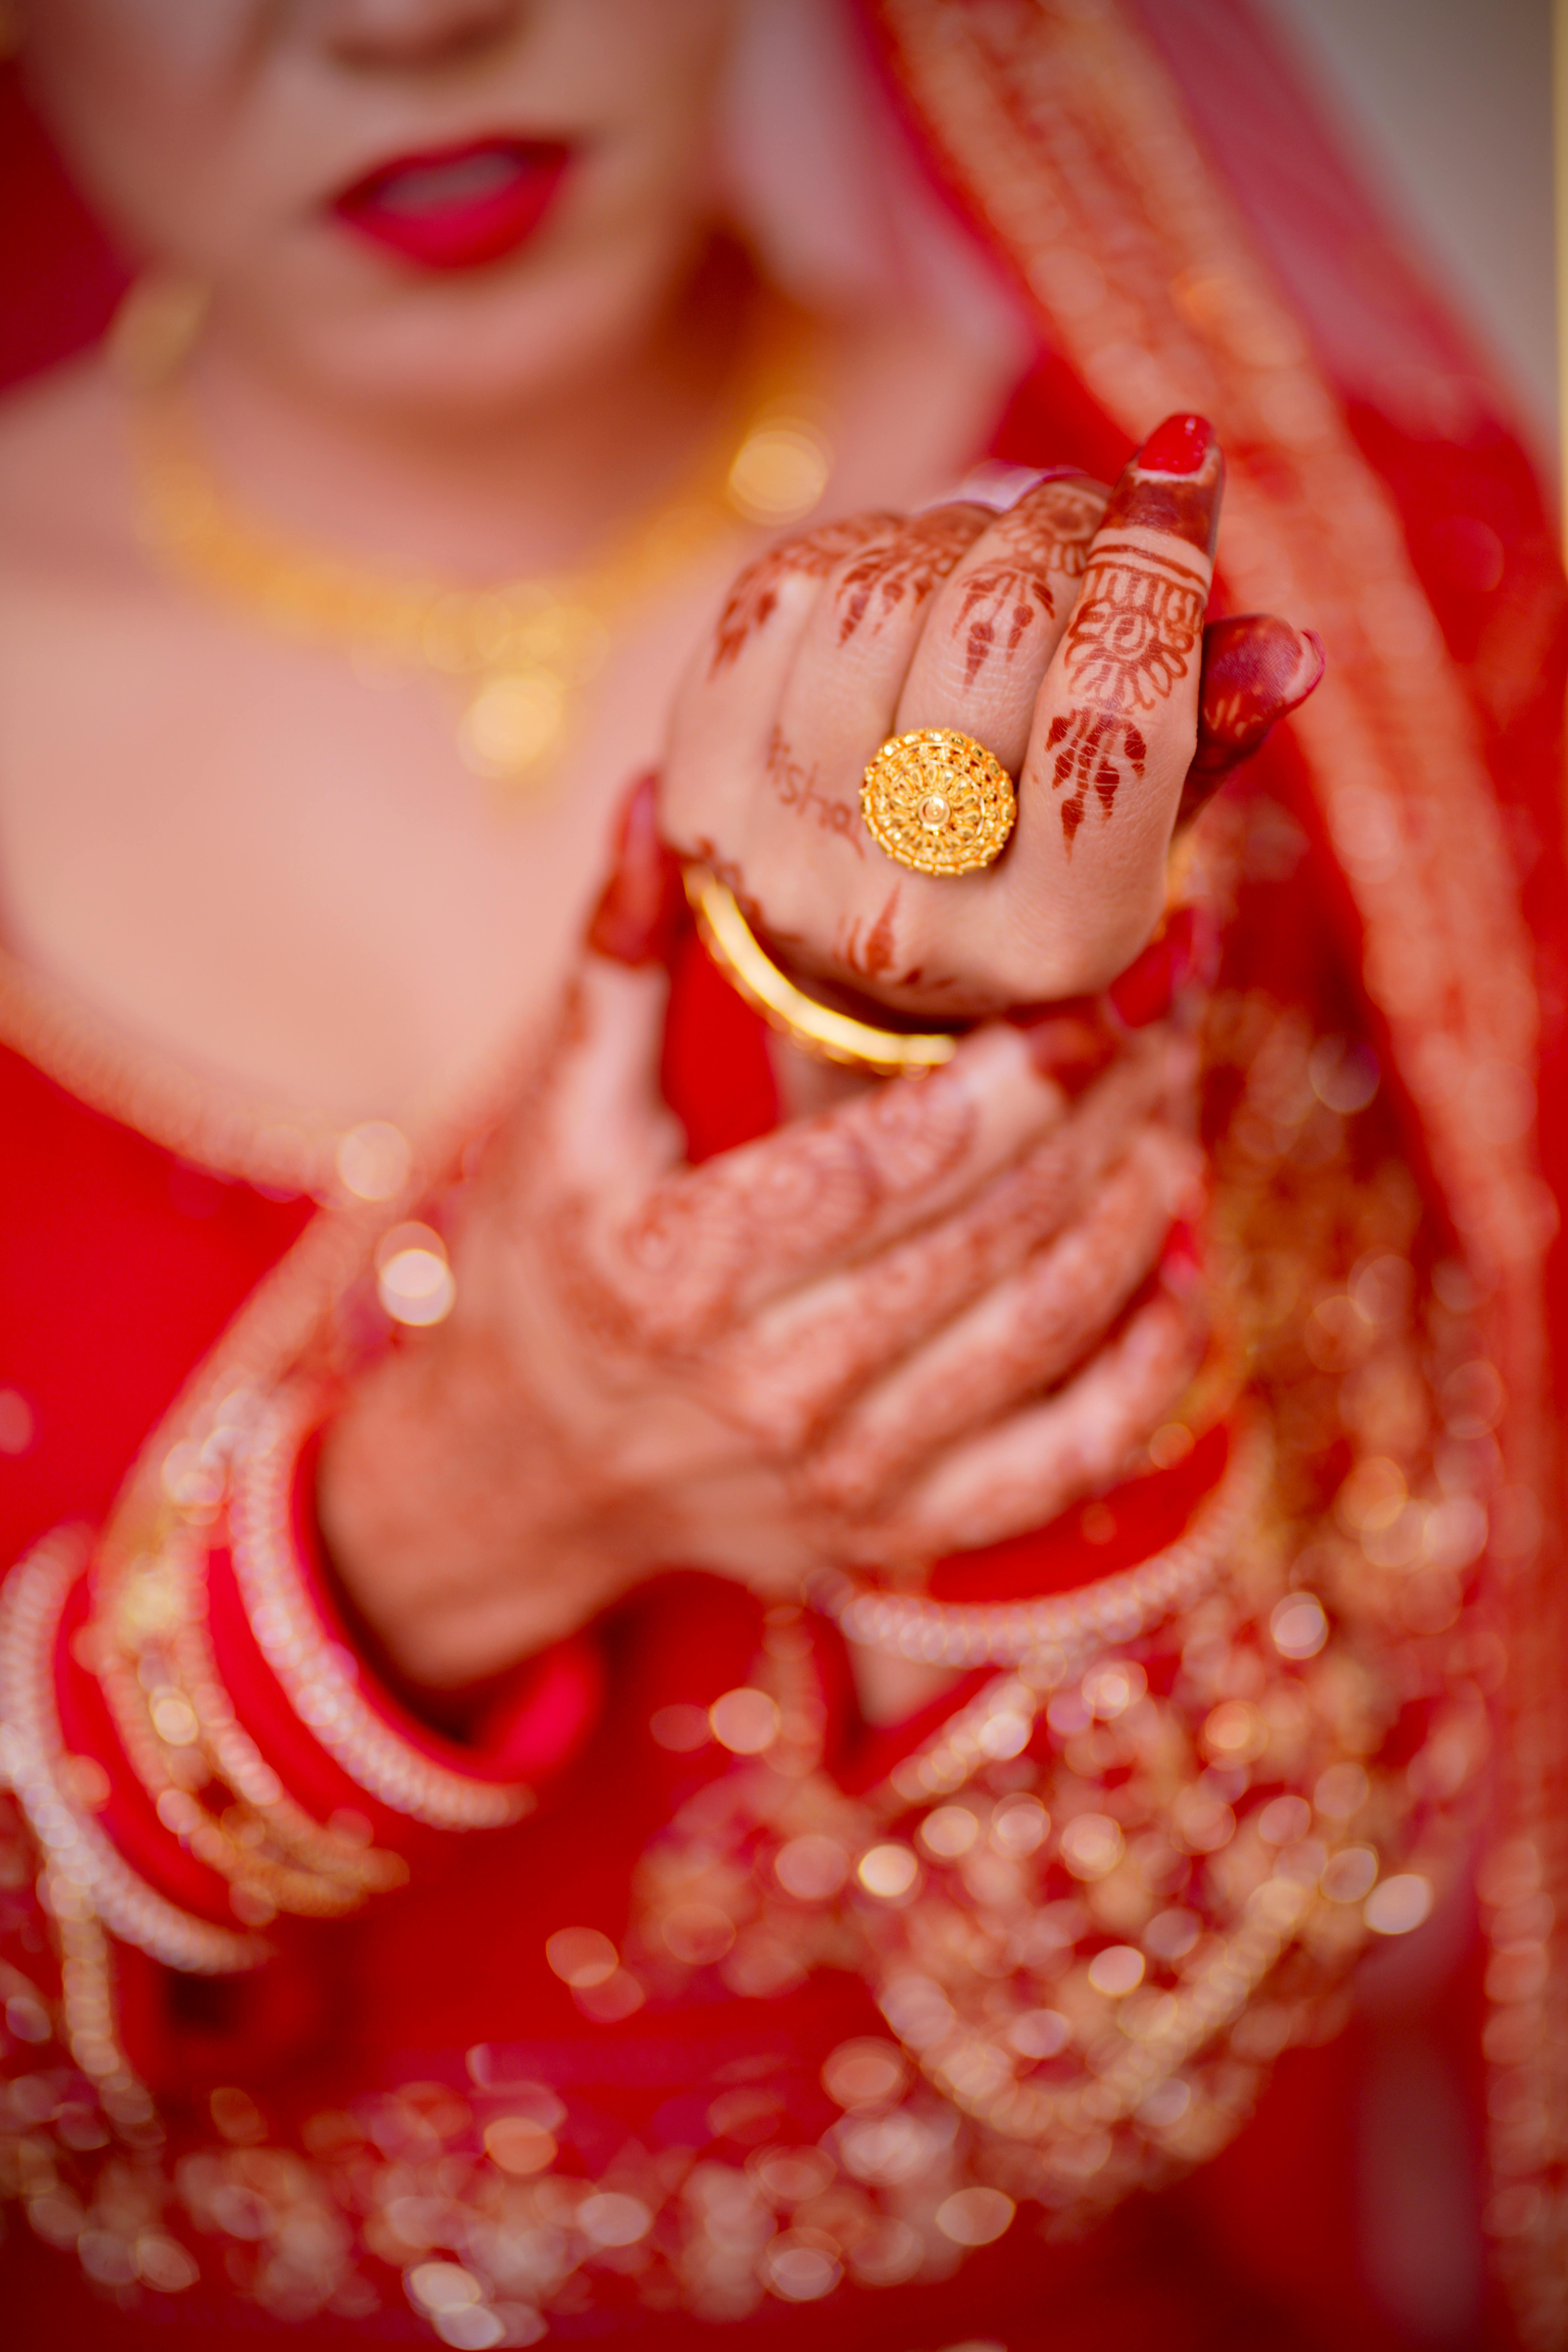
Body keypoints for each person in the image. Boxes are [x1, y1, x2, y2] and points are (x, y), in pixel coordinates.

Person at [0, 3, 1562, 2347]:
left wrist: (924, 1101)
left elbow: (1158, 1997)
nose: (409, 24)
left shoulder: (1256, 640)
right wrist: (439, 1519)